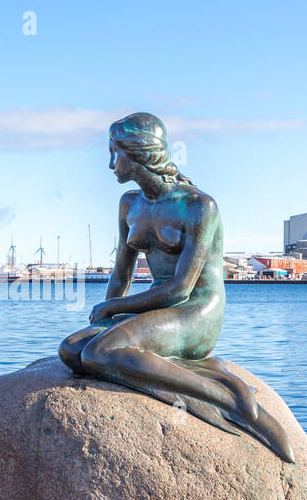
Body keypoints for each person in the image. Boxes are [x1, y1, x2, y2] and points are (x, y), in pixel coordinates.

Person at [58, 112, 294, 463]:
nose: (110, 164)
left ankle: (231, 399)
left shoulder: (199, 206)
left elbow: (182, 289)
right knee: (72, 350)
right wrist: (103, 322)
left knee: (99, 353)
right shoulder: (129, 204)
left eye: (115, 152)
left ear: (140, 152)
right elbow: (121, 274)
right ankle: (164, 368)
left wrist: (112, 314)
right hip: (159, 307)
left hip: (196, 309)